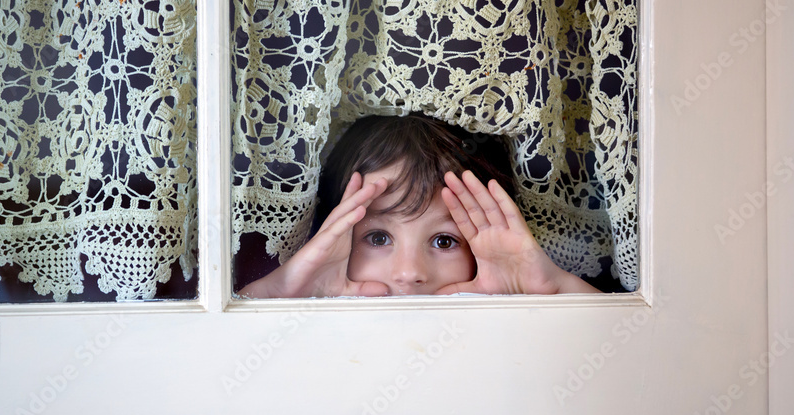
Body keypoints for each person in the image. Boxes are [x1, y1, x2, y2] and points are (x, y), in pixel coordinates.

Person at [239, 114, 600, 298]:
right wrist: (281, 293)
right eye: (378, 238)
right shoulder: (315, 323)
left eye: (444, 241)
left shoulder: (497, 321)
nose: (410, 273)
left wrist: (552, 290)